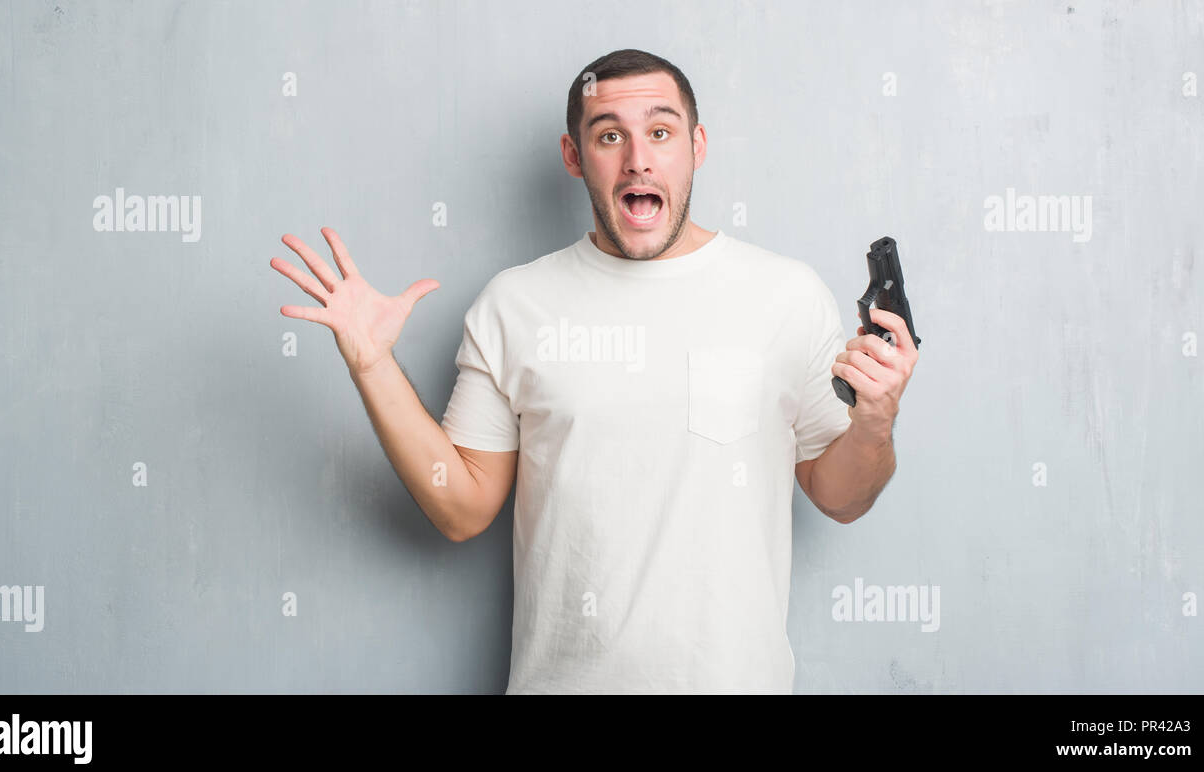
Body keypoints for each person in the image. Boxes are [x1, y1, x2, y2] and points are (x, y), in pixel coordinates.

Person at [270, 48, 918, 694]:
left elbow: (841, 497)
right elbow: (460, 509)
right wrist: (373, 364)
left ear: (696, 146)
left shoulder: (786, 295)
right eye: (611, 136)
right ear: (574, 155)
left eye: (660, 132)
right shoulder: (514, 305)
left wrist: (876, 422)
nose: (638, 157)